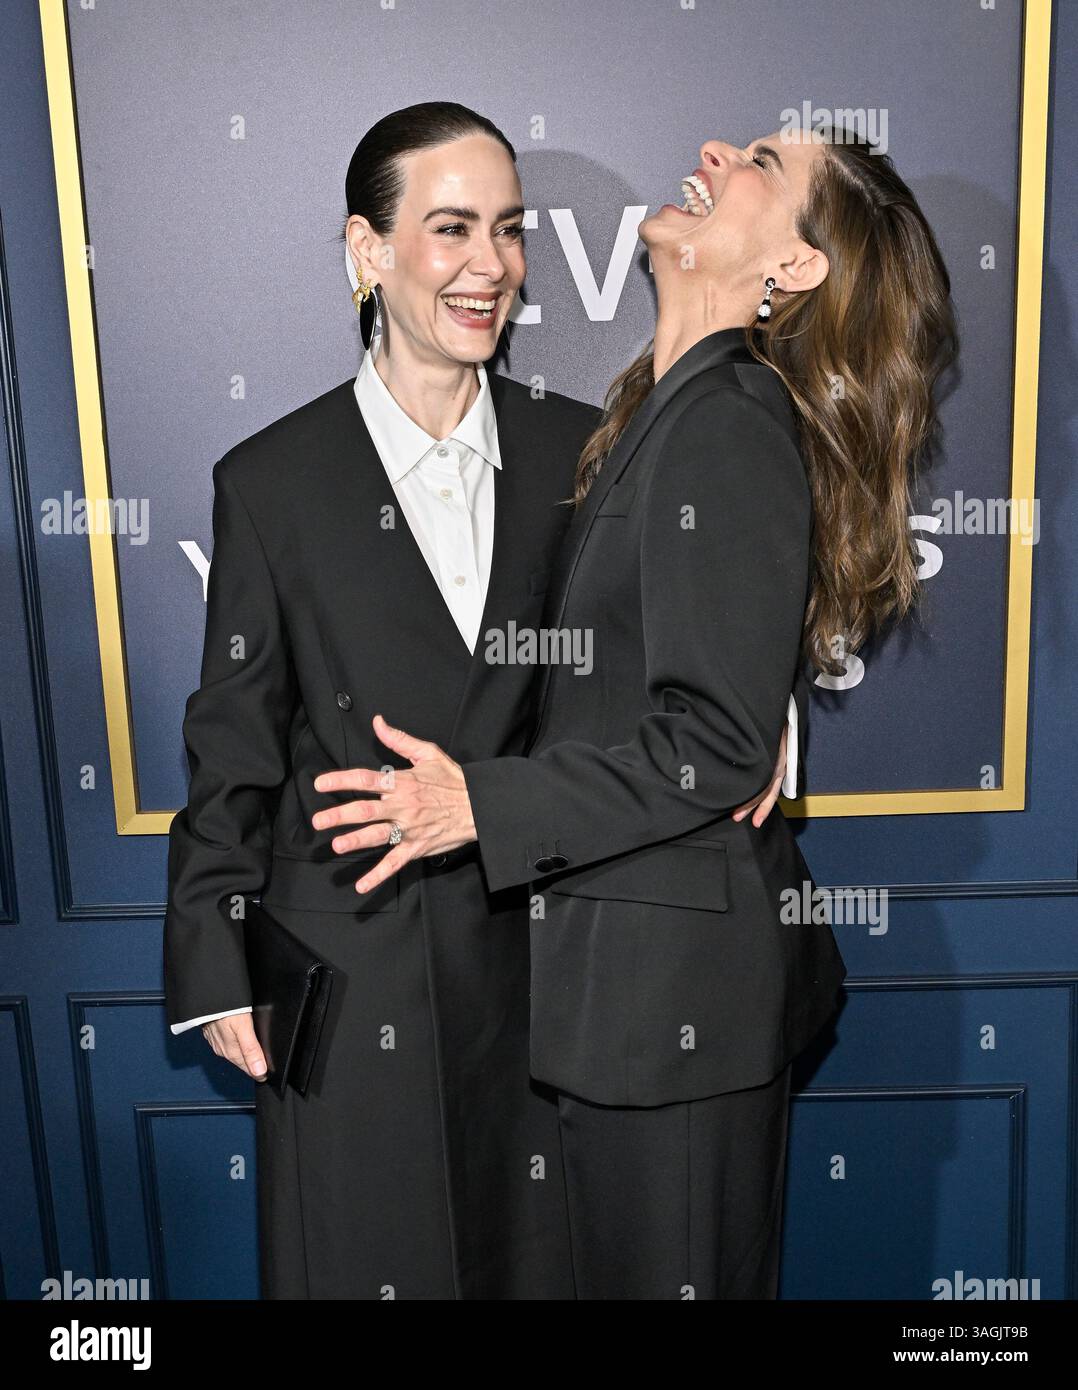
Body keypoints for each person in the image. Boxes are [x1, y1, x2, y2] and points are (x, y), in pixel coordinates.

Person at [163, 100, 807, 1299]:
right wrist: (212, 955)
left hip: (541, 968)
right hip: (349, 975)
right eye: (451, 228)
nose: (489, 266)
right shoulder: (268, 481)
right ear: (367, 252)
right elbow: (232, 742)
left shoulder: (590, 451)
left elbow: (679, 639)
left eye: (507, 232)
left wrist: (772, 728)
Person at [313, 123, 959, 1299]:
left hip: (678, 1012)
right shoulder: (654, 410)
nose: (714, 150)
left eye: (759, 162)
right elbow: (684, 690)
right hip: (623, 1004)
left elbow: (707, 740)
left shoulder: (726, 421)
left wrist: (477, 805)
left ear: (795, 267)